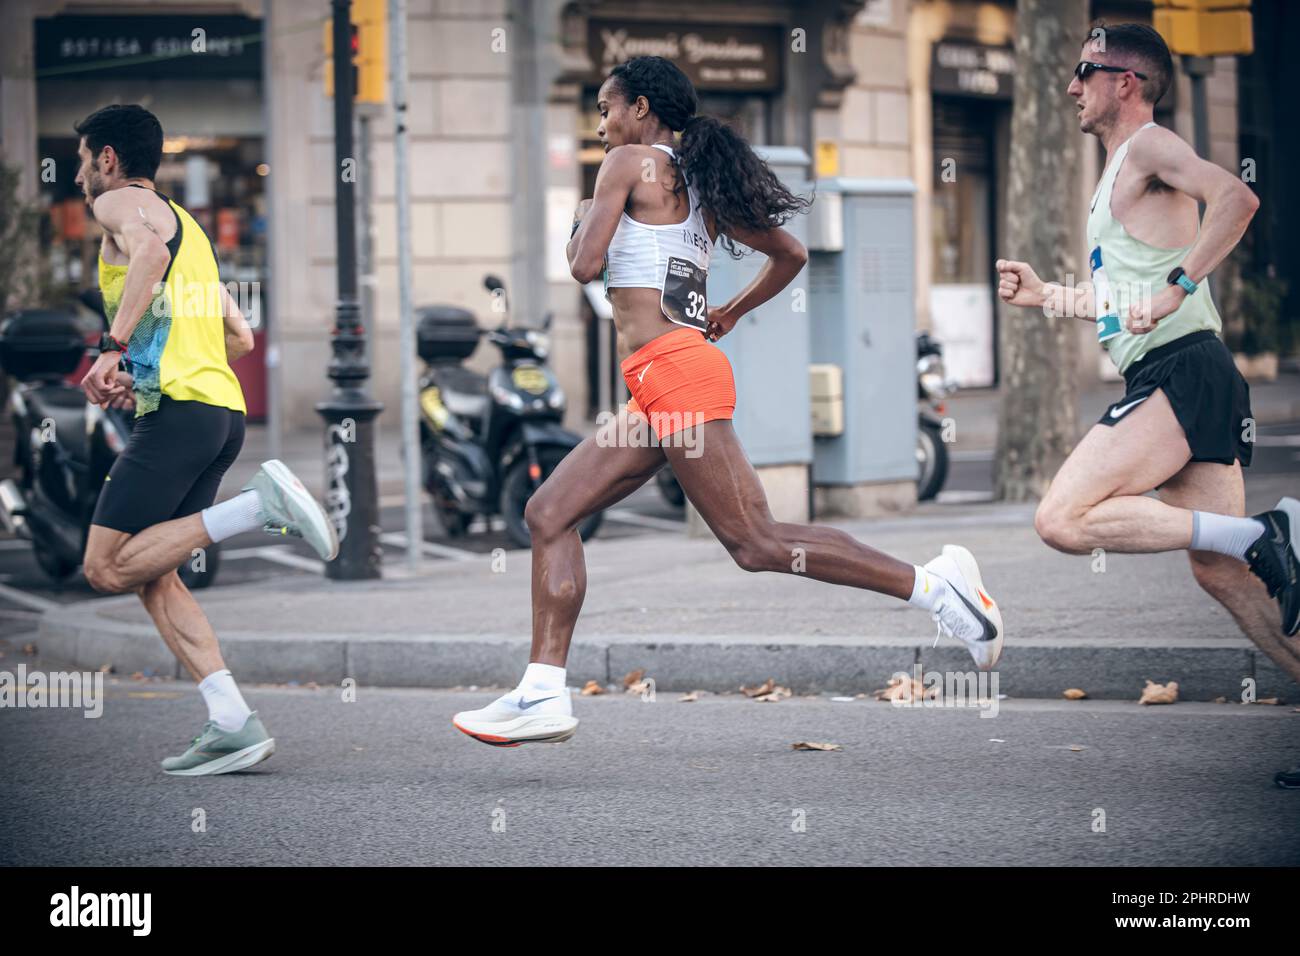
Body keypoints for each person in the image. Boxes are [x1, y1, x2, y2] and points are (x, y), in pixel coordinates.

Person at [452, 56, 1005, 747]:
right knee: (548, 512)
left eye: (605, 108)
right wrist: (733, 312)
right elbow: (791, 254)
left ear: (643, 108)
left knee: (758, 543)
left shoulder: (628, 163)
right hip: (663, 378)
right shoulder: (698, 183)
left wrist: (583, 217)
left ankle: (937, 588)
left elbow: (584, 265)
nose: (601, 126)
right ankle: (541, 692)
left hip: (674, 376)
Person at [993, 24, 1300, 788]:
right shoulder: (1116, 176)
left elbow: (1238, 197)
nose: (1071, 87)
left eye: (1084, 72)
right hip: (1187, 372)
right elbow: (1120, 298)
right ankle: (1258, 539)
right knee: (1222, 572)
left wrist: (1180, 285)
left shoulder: (1150, 146)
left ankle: (1269, 529)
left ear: (1125, 81)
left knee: (1061, 519)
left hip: (1181, 370)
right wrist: (1047, 297)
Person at [73, 104, 339, 776]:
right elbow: (239, 336)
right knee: (151, 571)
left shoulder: (119, 206)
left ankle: (258, 508)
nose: (79, 174)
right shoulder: (189, 225)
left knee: (104, 567)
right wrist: (146, 373)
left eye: (82, 160)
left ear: (107, 158)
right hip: (217, 412)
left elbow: (150, 257)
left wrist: (113, 348)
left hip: (182, 418)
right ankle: (231, 721)